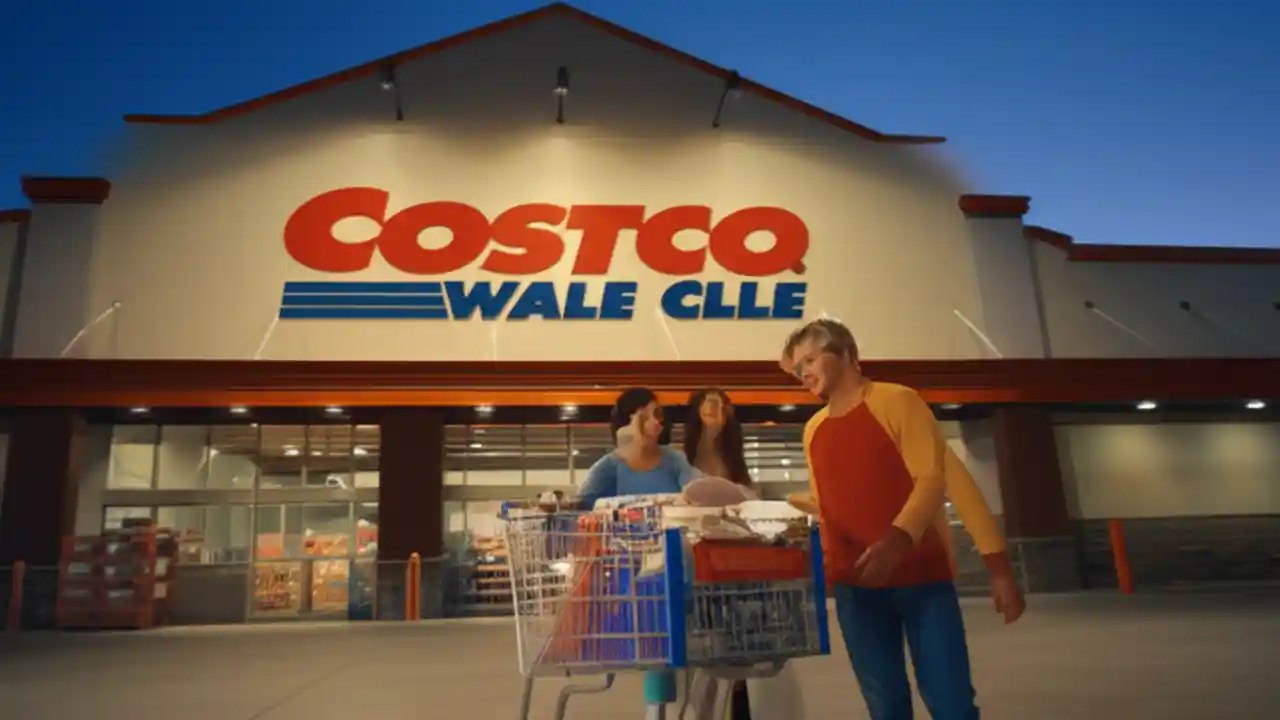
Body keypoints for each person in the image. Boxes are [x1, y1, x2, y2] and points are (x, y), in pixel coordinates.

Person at [779, 318, 1022, 719]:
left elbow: (936, 480)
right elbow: (827, 502)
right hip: (855, 590)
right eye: (796, 366)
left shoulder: (898, 401)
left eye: (810, 359)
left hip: (922, 579)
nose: (803, 372)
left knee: (952, 704)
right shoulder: (813, 430)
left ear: (846, 354)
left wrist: (997, 569)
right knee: (886, 707)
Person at [682, 388, 807, 720]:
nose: (716, 409)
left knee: (744, 650)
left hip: (735, 565)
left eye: (721, 404)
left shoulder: (733, 460)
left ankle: (739, 705)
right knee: (707, 651)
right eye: (708, 402)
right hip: (701, 566)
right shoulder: (680, 460)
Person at [577, 387, 701, 719]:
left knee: (671, 610)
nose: (658, 422)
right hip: (627, 577)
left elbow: (698, 488)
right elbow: (583, 506)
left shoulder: (674, 460)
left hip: (676, 568)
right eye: (649, 414)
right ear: (630, 419)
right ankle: (658, 708)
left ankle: (661, 708)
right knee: (657, 613)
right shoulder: (609, 467)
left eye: (660, 415)